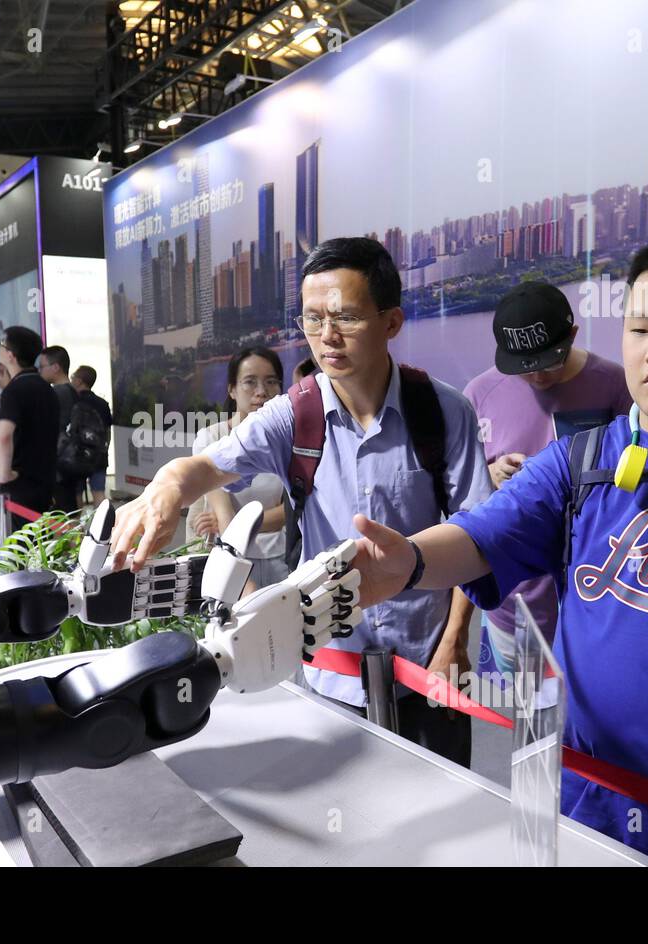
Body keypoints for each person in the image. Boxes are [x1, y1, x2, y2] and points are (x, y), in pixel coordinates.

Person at [347, 232, 648, 866]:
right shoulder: (580, 465)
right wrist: (407, 562)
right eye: (637, 330)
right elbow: (481, 536)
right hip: (595, 820)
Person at [109, 236, 494, 766]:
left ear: (392, 322)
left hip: (426, 669)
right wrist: (168, 486)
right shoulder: (296, 414)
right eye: (312, 320)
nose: (326, 338)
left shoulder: (444, 412)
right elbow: (210, 464)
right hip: (331, 673)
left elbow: (475, 530)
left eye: (346, 318)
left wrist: (455, 641)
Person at [463, 281, 630, 678]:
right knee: (530, 720)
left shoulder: (615, 385)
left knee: (596, 718)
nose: (537, 376)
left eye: (547, 361)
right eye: (524, 366)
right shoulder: (479, 394)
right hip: (515, 602)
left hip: (599, 593)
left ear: (572, 335)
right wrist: (489, 475)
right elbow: (466, 505)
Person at [186, 346, 289, 592]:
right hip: (231, 560)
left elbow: (292, 512)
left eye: (271, 382)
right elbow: (225, 518)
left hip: (283, 557)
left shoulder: (290, 441)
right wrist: (243, 583)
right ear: (232, 389)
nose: (261, 392)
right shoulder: (212, 439)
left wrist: (237, 522)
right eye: (250, 382)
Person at [0, 325, 60, 530]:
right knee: (40, 546)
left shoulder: (14, 390)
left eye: (1, 345)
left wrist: (5, 473)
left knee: (18, 549)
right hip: (46, 479)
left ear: (10, 355)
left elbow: (4, 435)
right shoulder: (47, 389)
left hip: (19, 485)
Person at [40, 345, 82, 511]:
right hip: (70, 459)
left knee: (61, 515)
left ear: (56, 367)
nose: (40, 371)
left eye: (42, 366)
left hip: (58, 462)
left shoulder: (56, 393)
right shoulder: (73, 391)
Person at [69, 365, 112, 505]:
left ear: (79, 381)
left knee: (77, 494)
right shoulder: (102, 404)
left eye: (73, 377)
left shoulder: (72, 400)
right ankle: (105, 526)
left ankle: (77, 527)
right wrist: (104, 449)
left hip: (77, 455)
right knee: (99, 492)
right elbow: (107, 431)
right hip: (99, 455)